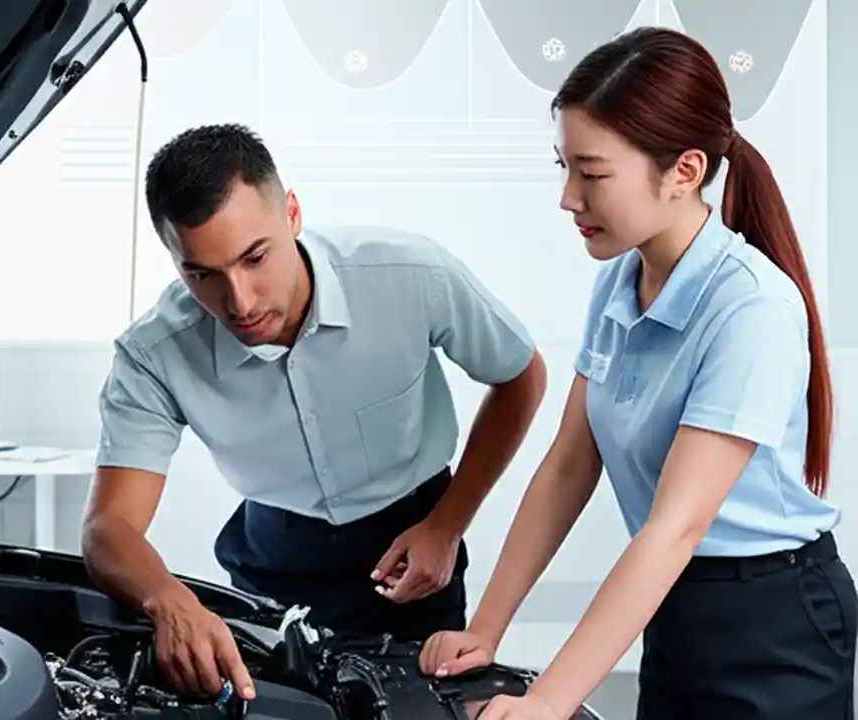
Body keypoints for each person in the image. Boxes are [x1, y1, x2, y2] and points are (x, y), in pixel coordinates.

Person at [420, 26, 857, 719]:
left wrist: (548, 702)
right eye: (563, 167)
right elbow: (570, 462)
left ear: (683, 171)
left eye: (591, 174)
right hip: (674, 603)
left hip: (773, 622)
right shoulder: (622, 279)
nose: (568, 197)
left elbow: (674, 529)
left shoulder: (753, 307)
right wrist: (486, 631)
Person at [81, 123, 548, 701]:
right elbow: (110, 526)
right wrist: (169, 599)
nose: (240, 301)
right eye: (202, 275)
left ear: (293, 214)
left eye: (255, 258)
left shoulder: (409, 275)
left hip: (414, 541)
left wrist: (448, 525)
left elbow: (520, 375)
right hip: (272, 557)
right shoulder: (153, 352)